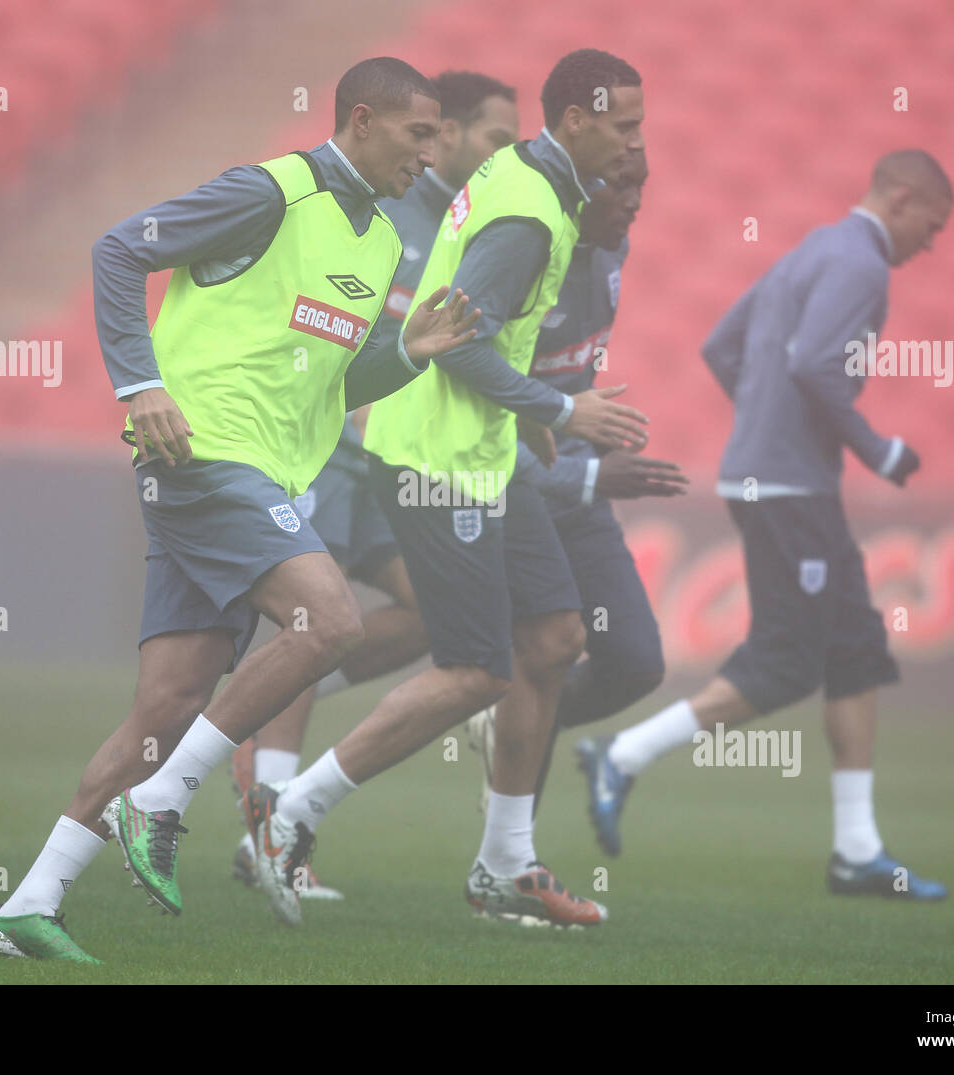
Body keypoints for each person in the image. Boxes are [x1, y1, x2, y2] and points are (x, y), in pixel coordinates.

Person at [0, 57, 480, 962]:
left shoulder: (375, 241)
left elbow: (335, 376)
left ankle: (29, 905)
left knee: (169, 704)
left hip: (266, 474)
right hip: (203, 452)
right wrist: (140, 387)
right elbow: (119, 248)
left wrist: (409, 352)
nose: (432, 150)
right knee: (327, 619)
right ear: (362, 120)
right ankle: (165, 799)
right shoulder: (271, 193)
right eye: (419, 132)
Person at [243, 49, 649, 930]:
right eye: (623, 125)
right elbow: (459, 345)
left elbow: (483, 335)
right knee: (473, 668)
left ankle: (503, 865)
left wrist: (531, 419)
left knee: (551, 636)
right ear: (577, 122)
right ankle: (292, 816)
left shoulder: (520, 170)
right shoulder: (532, 217)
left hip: (486, 454)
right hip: (437, 462)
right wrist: (561, 410)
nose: (633, 142)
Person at [576, 150, 953, 901]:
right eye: (931, 227)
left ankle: (856, 850)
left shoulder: (816, 246)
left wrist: (762, 421)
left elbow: (722, 346)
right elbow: (816, 363)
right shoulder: (862, 263)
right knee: (787, 661)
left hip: (775, 477)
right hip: (789, 487)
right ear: (903, 199)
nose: (929, 244)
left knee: (855, 651)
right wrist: (878, 448)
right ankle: (624, 753)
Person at [230, 71, 521, 900]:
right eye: (495, 139)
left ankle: (288, 684)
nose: (505, 156)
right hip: (323, 447)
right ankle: (268, 827)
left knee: (430, 616)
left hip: (386, 457)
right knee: (306, 618)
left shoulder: (471, 222)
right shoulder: (379, 205)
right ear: (450, 134)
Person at [464, 148, 688, 815]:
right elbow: (481, 408)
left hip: (575, 474)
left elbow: (568, 376)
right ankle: (505, 859)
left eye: (643, 187)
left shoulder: (611, 252)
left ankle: (508, 730)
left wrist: (587, 449)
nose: (635, 201)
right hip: (509, 487)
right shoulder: (526, 256)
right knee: (545, 653)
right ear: (579, 192)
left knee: (637, 662)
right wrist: (590, 473)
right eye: (621, 186)